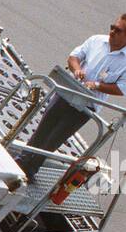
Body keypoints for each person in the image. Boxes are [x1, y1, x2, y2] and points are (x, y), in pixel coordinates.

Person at [15, 16, 126, 179]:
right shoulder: (97, 41)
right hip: (68, 92)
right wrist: (77, 70)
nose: (112, 32)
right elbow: (74, 57)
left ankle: (31, 169)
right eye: (112, 27)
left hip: (86, 105)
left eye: (118, 30)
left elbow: (121, 88)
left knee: (55, 138)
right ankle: (22, 160)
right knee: (43, 128)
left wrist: (96, 85)